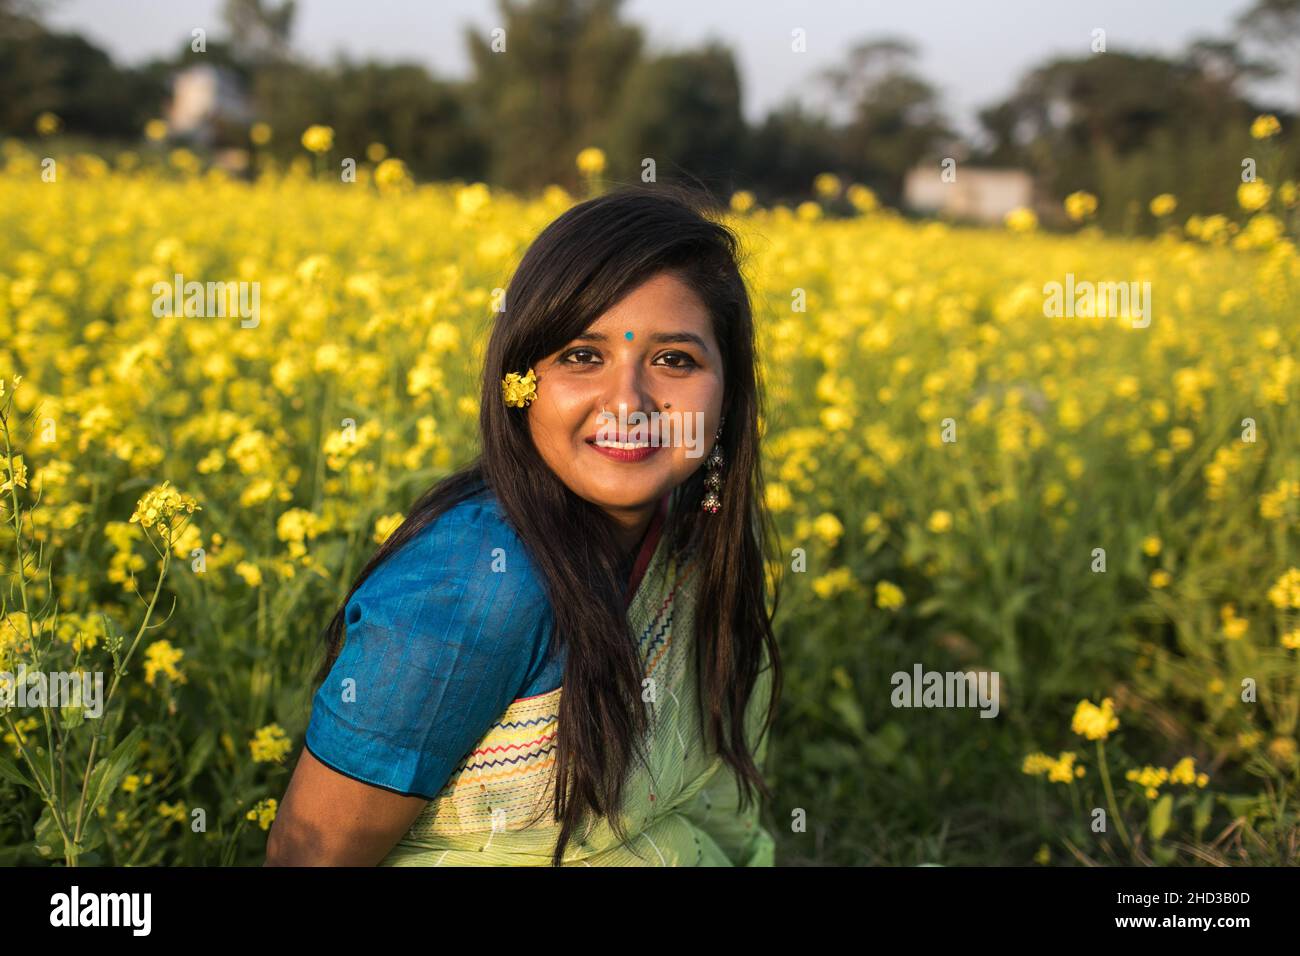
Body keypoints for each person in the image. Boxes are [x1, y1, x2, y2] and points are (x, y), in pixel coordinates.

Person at [265, 183, 782, 866]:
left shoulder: (699, 538)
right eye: (581, 356)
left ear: (728, 391)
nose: (627, 404)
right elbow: (310, 858)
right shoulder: (476, 586)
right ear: (520, 383)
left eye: (674, 360)